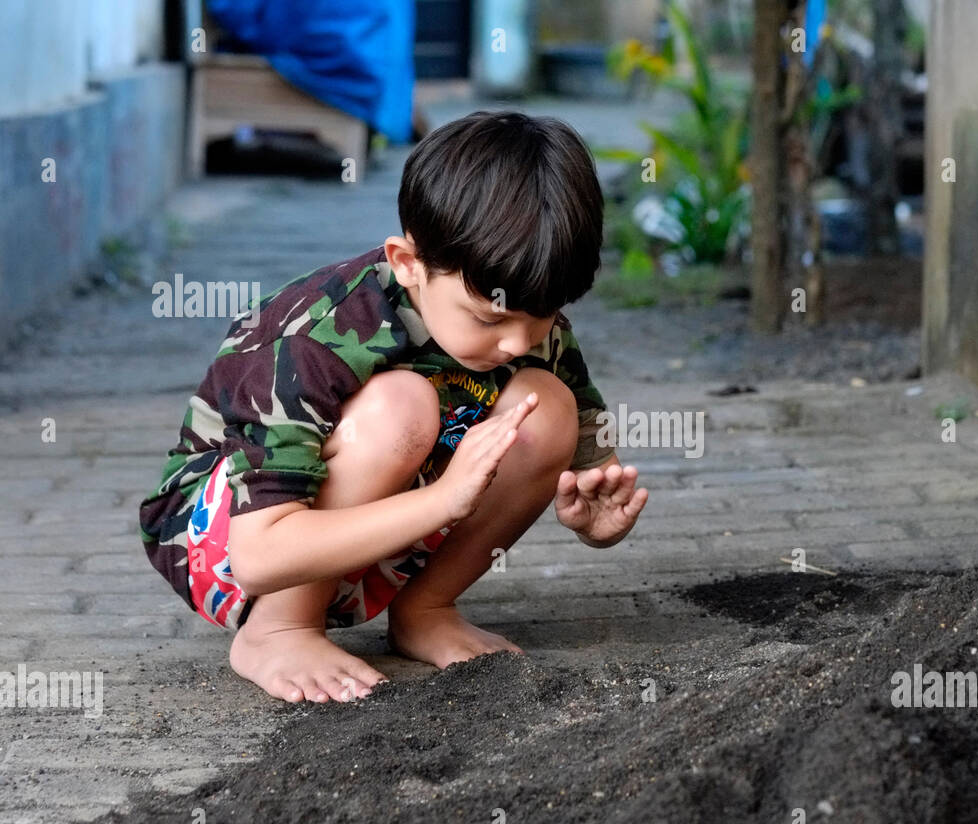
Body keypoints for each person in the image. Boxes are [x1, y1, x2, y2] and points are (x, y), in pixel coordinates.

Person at [139, 111, 648, 704]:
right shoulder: (316, 338)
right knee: (400, 407)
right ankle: (279, 631)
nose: (518, 342)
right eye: (490, 318)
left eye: (543, 315)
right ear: (408, 263)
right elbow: (257, 557)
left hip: (367, 547)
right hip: (226, 547)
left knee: (548, 407)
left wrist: (596, 520)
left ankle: (426, 609)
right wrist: (443, 499)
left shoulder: (532, 326)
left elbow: (587, 462)